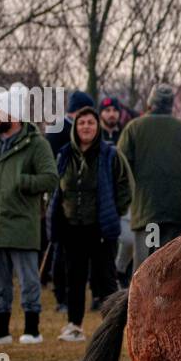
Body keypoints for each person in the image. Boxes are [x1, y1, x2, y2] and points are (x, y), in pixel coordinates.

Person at [0, 82, 59, 346]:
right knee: (0, 284)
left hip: (22, 225)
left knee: (29, 281)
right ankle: (1, 330)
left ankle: (32, 329)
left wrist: (22, 182)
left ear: (14, 115)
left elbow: (51, 178)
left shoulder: (36, 144)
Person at [48, 105, 132, 342]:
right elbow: (57, 187)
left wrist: (115, 211)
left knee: (105, 277)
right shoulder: (64, 154)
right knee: (74, 278)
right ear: (76, 127)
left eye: (91, 123)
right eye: (82, 122)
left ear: (97, 127)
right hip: (71, 228)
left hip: (101, 228)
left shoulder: (110, 155)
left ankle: (113, 327)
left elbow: (126, 186)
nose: (86, 127)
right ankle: (74, 325)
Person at [117, 83, 181, 270]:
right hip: (176, 212)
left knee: (145, 271)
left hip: (145, 213)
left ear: (150, 104)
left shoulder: (134, 128)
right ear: (170, 105)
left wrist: (125, 200)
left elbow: (119, 168)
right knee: (170, 271)